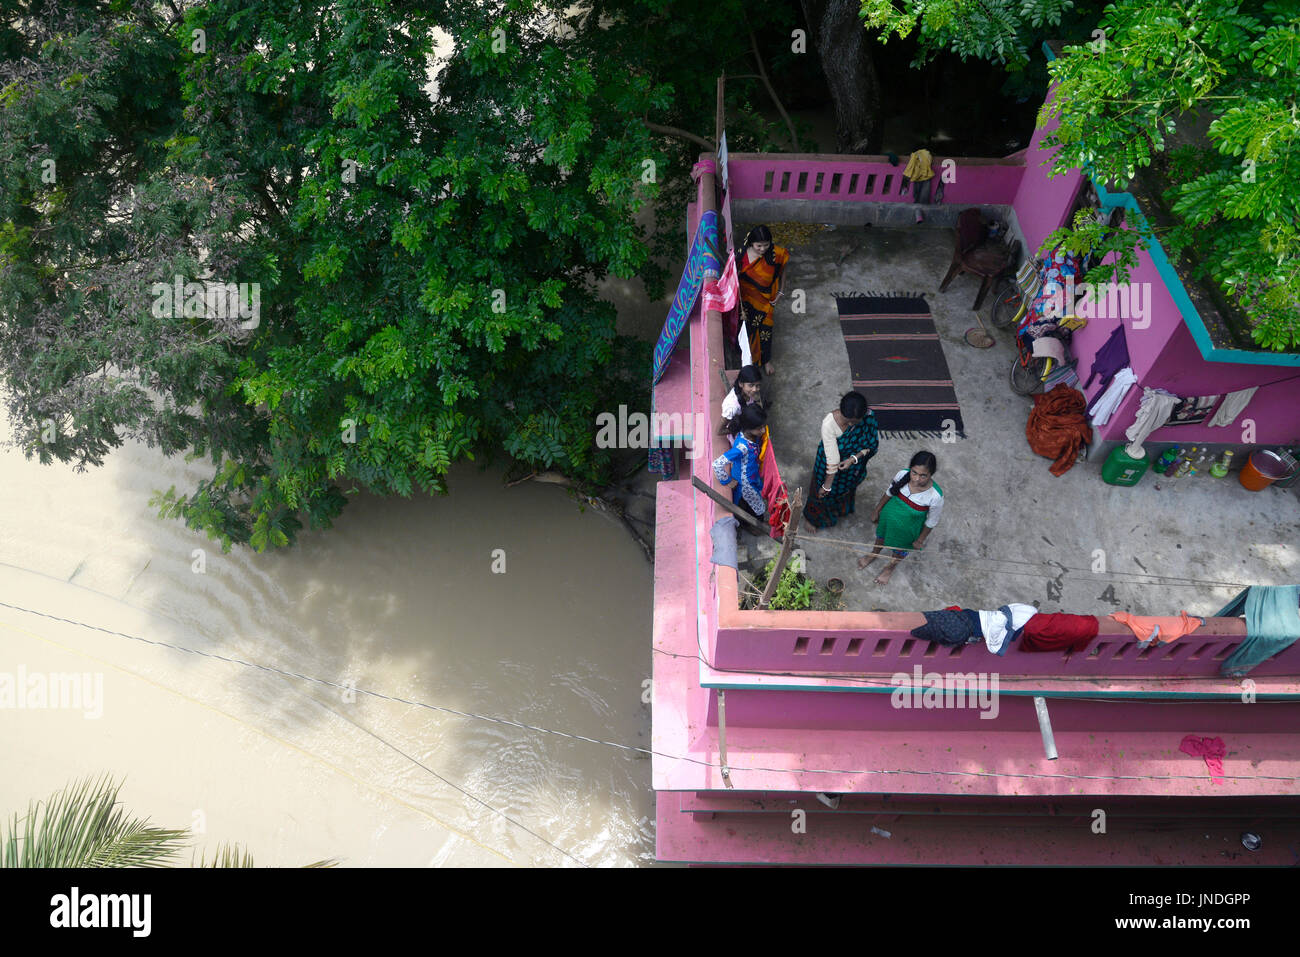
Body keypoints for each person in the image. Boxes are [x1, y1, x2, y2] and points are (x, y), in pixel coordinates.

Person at [858, 451, 942, 585]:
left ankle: (889, 568)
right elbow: (889, 493)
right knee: (880, 538)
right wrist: (877, 509)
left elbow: (932, 521)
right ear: (910, 468)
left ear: (931, 474)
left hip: (908, 531)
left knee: (899, 551)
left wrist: (920, 539)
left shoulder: (935, 496)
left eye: (923, 476)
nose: (916, 479)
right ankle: (873, 554)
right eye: (914, 472)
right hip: (887, 519)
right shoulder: (902, 474)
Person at [802, 391, 878, 532]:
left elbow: (870, 445)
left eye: (855, 422)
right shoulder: (829, 424)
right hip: (827, 466)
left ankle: (841, 509)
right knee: (821, 493)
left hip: (851, 467)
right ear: (841, 409)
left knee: (845, 489)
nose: (850, 425)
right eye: (847, 420)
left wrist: (853, 459)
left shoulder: (868, 418)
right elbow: (833, 459)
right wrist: (827, 486)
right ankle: (813, 519)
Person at [737, 225, 789, 375]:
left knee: (766, 330)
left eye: (766, 245)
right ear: (751, 243)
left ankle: (766, 360)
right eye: (758, 245)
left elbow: (784, 268)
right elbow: (733, 277)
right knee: (749, 330)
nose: (762, 249)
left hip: (767, 300)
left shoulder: (776, 254)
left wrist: (781, 291)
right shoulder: (741, 255)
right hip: (746, 300)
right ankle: (750, 360)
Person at [712, 405, 767, 522]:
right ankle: (756, 525)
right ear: (747, 428)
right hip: (746, 483)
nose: (763, 431)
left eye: (763, 426)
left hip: (752, 476)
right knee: (756, 505)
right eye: (759, 428)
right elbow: (717, 463)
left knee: (749, 502)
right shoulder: (742, 447)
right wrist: (727, 480)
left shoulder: (749, 435)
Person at [718, 365, 764, 435]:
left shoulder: (747, 393)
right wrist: (740, 429)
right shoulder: (732, 407)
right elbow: (719, 431)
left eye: (757, 385)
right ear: (741, 384)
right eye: (751, 385)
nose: (755, 390)